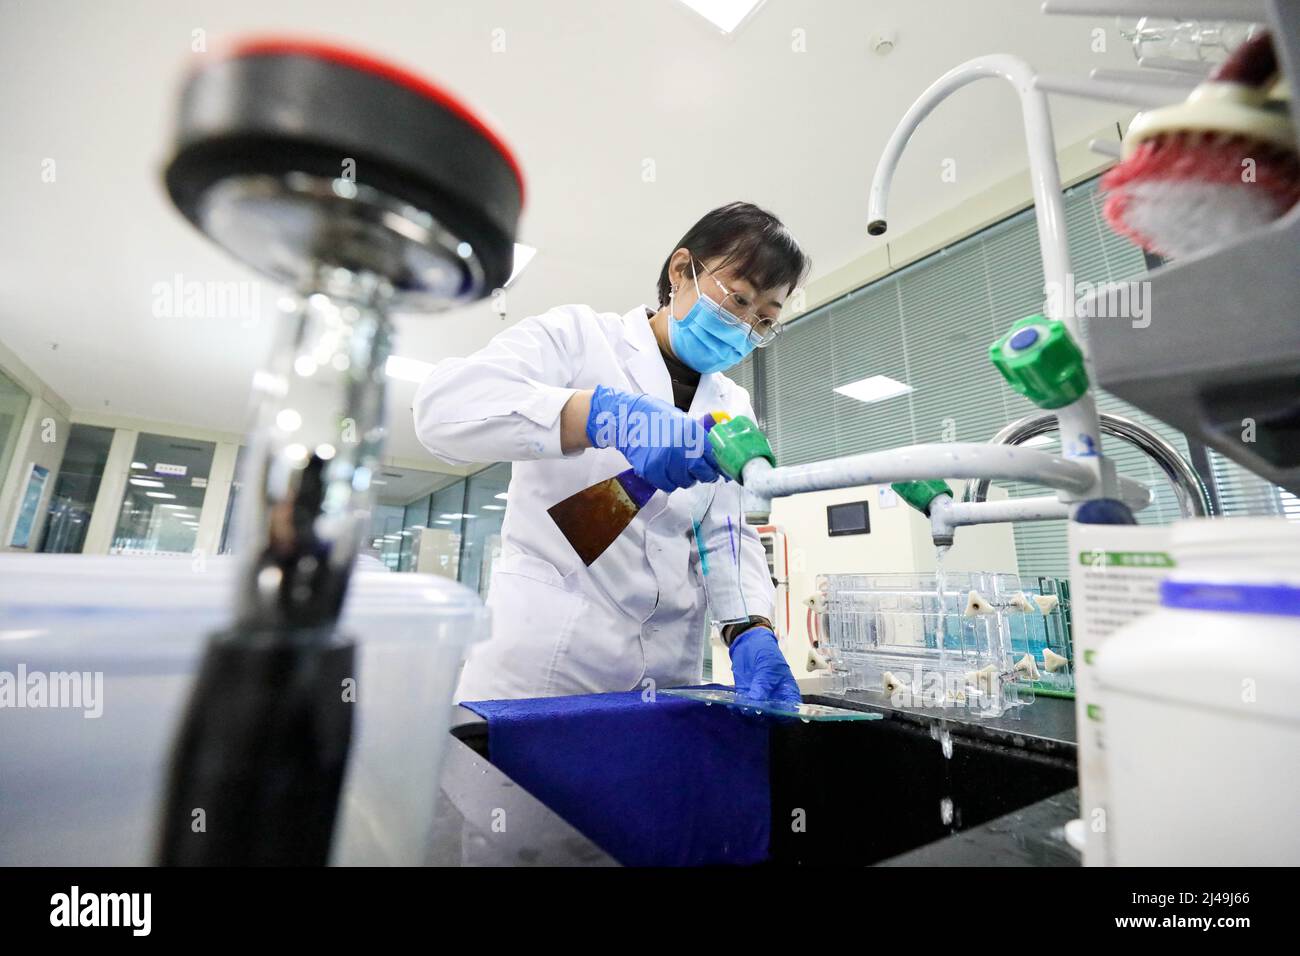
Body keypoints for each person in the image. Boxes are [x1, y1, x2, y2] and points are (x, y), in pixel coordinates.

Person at [413, 202, 809, 704]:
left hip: (667, 677)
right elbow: (441, 409)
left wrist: (749, 627)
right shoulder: (578, 339)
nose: (744, 326)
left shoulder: (734, 406)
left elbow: (725, 532)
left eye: (764, 320)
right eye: (737, 299)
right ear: (681, 270)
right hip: (545, 669)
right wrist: (601, 415)